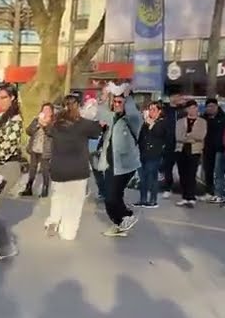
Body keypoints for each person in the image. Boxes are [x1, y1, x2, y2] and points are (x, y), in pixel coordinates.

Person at [44, 94, 103, 241]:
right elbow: (97, 131)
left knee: (58, 197)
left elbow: (47, 130)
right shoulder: (83, 124)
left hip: (58, 168)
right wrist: (100, 124)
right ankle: (67, 232)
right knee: (74, 203)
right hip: (78, 169)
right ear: (78, 106)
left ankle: (53, 221)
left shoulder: (55, 124)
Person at [98, 86, 141, 237]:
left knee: (112, 196)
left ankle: (127, 216)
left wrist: (128, 98)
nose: (117, 104)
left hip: (125, 165)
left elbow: (133, 112)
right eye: (115, 102)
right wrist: (104, 97)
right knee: (109, 197)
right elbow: (100, 112)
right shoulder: (112, 117)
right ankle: (120, 224)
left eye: (120, 102)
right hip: (110, 164)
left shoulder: (133, 120)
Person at [0, 84, 23, 203]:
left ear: (12, 98)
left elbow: (7, 149)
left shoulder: (15, 119)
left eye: (3, 97)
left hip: (6, 165)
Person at [136, 100, 170, 208]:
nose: (151, 112)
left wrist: (151, 124)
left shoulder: (162, 123)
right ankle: (143, 199)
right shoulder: (146, 123)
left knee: (152, 177)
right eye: (150, 109)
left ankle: (153, 200)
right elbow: (141, 137)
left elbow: (159, 134)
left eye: (154, 110)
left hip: (155, 154)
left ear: (159, 111)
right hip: (143, 154)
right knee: (142, 178)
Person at [174, 100, 207, 207]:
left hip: (194, 151)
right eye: (190, 108)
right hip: (181, 150)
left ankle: (191, 197)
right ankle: (184, 197)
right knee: (182, 174)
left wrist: (188, 136)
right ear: (186, 109)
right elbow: (178, 137)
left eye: (194, 107)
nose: (192, 110)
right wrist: (190, 137)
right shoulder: (180, 122)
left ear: (197, 108)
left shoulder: (202, 122)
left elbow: (200, 136)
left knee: (191, 174)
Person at [200, 98, 225, 203]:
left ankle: (218, 194)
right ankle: (209, 192)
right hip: (207, 149)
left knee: (218, 172)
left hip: (220, 149)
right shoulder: (203, 118)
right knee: (208, 171)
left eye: (212, 106)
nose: (210, 109)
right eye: (208, 106)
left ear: (217, 107)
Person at [22, 103, 54, 198]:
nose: (45, 112)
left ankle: (45, 189)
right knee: (32, 169)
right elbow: (28, 131)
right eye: (44, 110)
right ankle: (28, 188)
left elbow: (51, 133)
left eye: (48, 110)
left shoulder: (53, 122)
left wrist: (44, 126)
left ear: (51, 112)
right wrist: (36, 126)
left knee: (45, 170)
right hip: (35, 148)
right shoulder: (36, 120)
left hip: (45, 150)